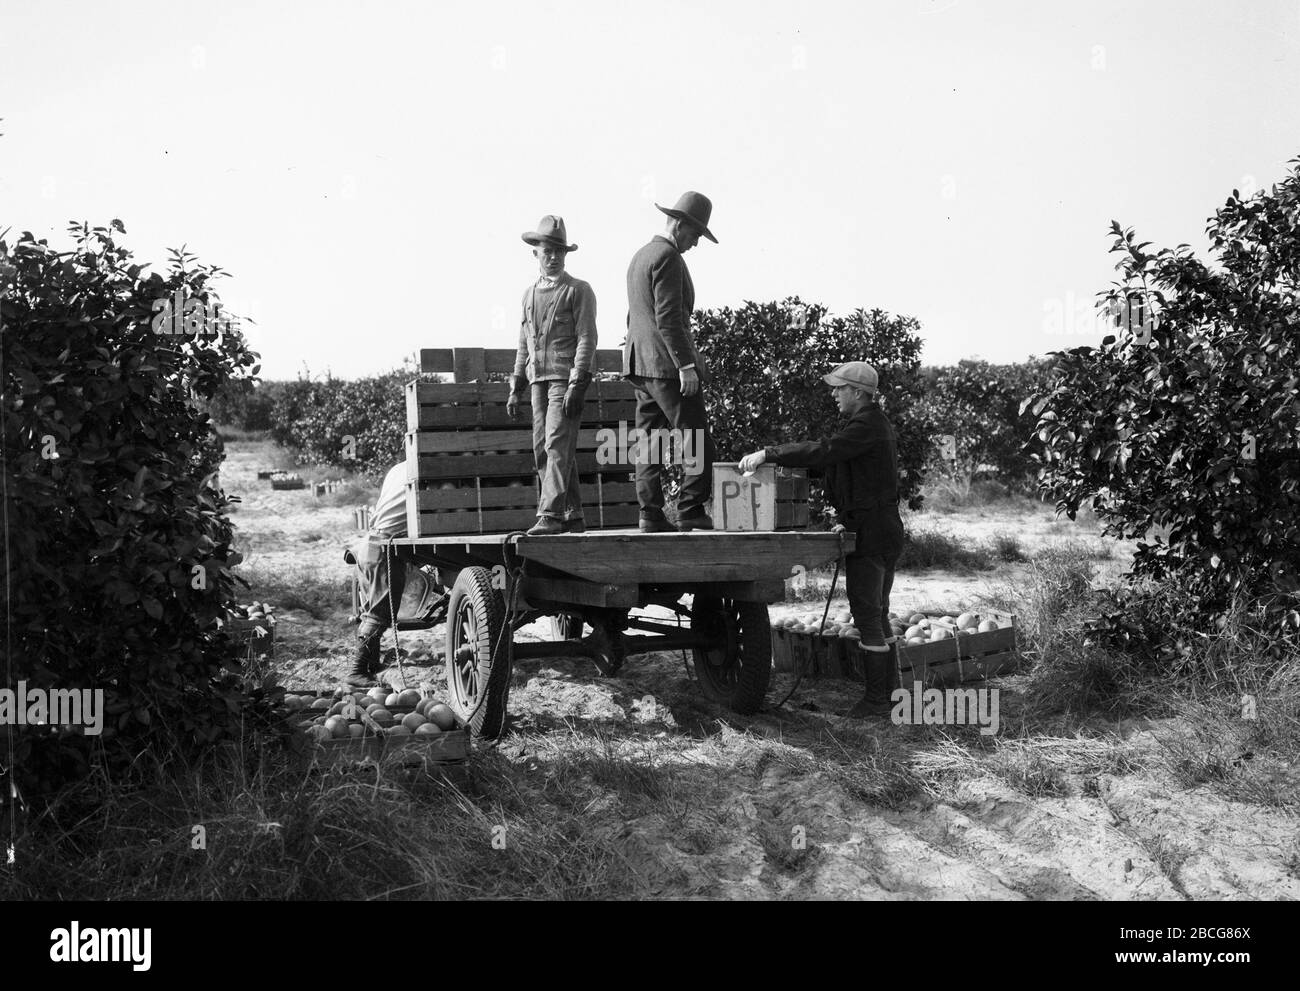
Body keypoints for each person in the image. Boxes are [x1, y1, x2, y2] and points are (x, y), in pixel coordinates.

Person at [738, 361, 905, 717]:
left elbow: (826, 451)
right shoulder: (869, 426)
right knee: (879, 613)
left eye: (839, 388)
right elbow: (835, 464)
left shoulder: (866, 426)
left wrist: (770, 453)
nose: (834, 394)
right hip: (880, 527)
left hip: (873, 533)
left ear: (858, 393)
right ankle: (889, 696)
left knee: (867, 616)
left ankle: (877, 701)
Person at [623, 190, 718, 532]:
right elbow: (667, 318)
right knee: (697, 437)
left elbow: (635, 316)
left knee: (650, 439)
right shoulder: (669, 258)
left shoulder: (641, 256)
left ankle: (650, 513)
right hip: (666, 366)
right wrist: (685, 365)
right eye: (694, 235)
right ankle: (690, 509)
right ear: (679, 225)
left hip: (641, 364)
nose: (695, 243)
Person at [508, 215, 598, 536]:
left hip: (564, 379)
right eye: (548, 250)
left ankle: (550, 514)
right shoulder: (528, 295)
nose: (554, 256)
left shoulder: (578, 291)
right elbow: (524, 342)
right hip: (537, 382)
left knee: (557, 444)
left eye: (559, 251)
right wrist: (517, 383)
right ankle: (572, 514)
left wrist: (578, 381)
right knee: (541, 446)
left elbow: (587, 337)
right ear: (536, 252)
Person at [344, 461, 412, 688]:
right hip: (385, 549)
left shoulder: (397, 469)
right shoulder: (426, 469)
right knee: (378, 615)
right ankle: (357, 671)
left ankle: (371, 666)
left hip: (369, 543)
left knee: (371, 611)